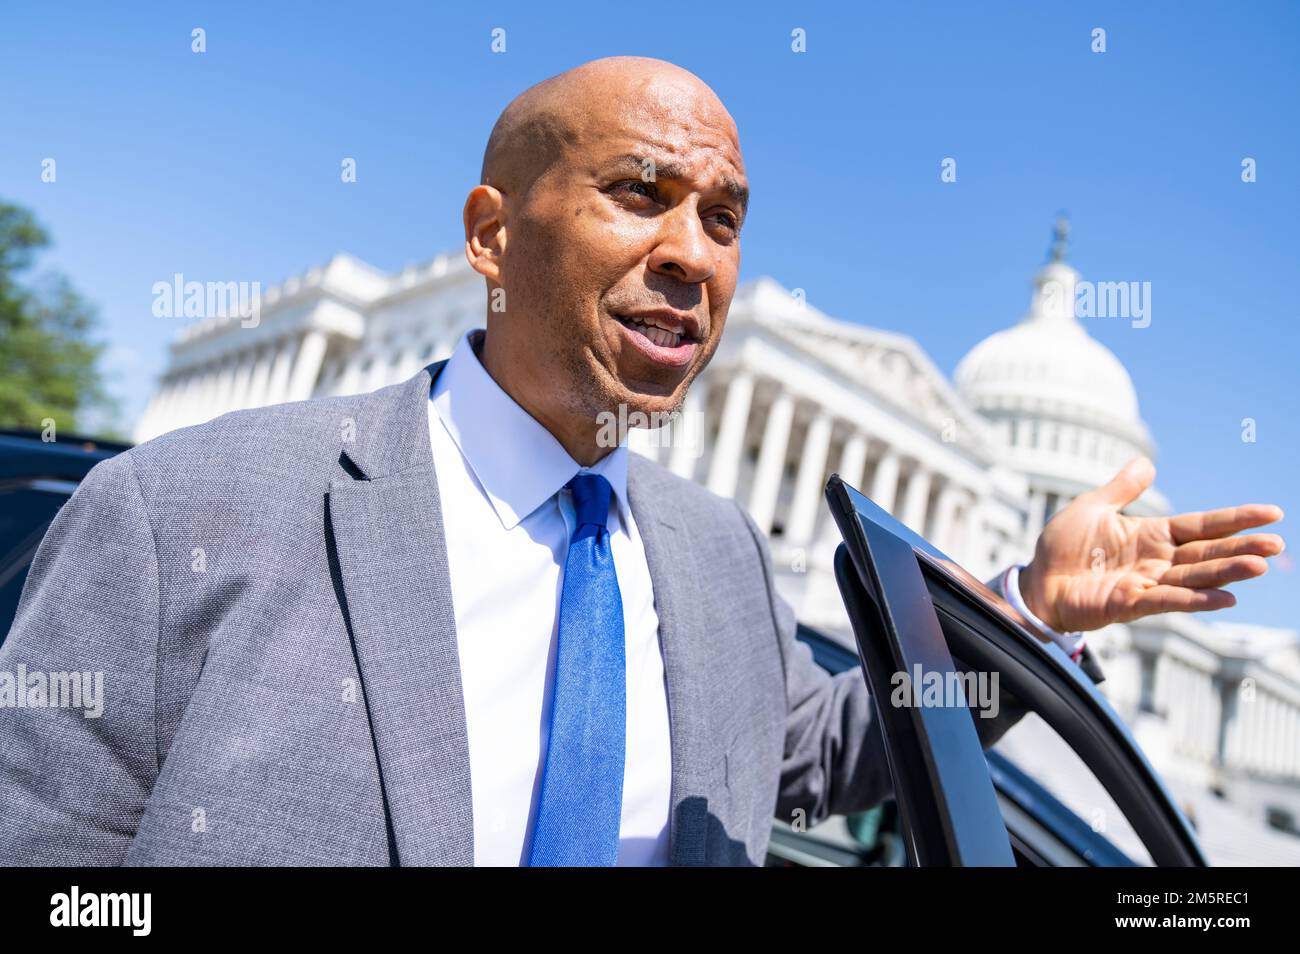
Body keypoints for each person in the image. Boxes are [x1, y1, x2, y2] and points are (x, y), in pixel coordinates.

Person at [0, 56, 1283, 867]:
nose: (695, 253)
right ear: (491, 235)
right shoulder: (184, 511)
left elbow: (825, 750)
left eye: (724, 219)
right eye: (639, 193)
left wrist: (1023, 614)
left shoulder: (714, 553)